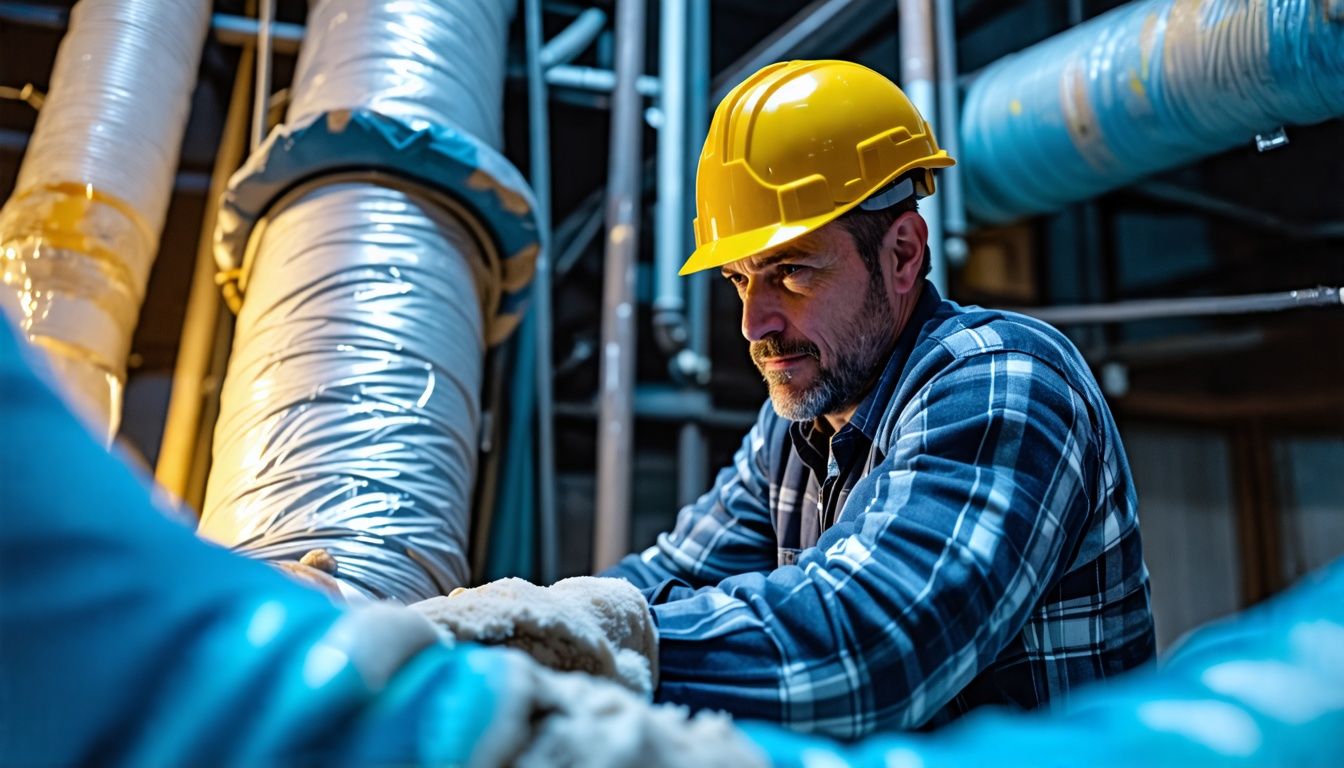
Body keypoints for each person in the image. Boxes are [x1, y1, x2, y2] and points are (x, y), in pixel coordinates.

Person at [598, 59, 1157, 736]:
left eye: (792, 271)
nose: (754, 325)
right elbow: (664, 576)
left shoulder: (1002, 379)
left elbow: (874, 646)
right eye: (740, 281)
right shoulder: (795, 430)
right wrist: (522, 621)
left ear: (901, 254)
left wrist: (585, 647)